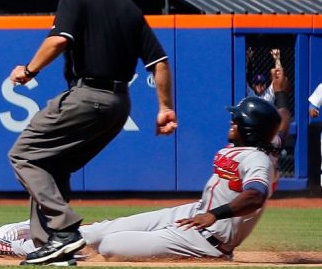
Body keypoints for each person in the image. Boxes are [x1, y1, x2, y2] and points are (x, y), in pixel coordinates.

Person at [7, 0, 177, 266]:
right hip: (119, 104)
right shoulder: (128, 6)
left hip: (88, 95)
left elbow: (59, 40)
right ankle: (54, 247)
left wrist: (29, 71)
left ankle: (66, 231)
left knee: (23, 154)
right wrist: (165, 108)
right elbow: (161, 62)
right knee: (52, 163)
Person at [80, 96, 285, 260]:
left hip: (205, 239)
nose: (232, 122)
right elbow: (282, 120)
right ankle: (56, 242)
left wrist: (214, 215)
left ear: (250, 128)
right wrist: (281, 93)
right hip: (193, 213)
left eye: (237, 119)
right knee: (98, 232)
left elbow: (255, 196)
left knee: (110, 245)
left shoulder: (258, 160)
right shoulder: (267, 143)